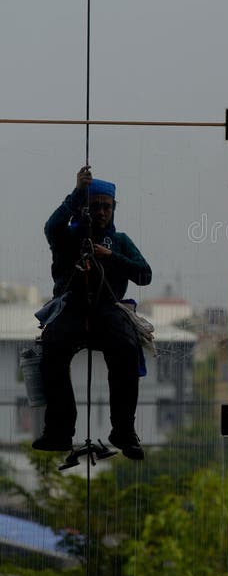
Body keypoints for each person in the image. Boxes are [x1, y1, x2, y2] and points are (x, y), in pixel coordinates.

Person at [32, 166, 152, 459]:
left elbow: (144, 274)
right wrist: (75, 194)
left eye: (106, 206)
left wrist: (111, 256)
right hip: (71, 305)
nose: (101, 212)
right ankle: (59, 430)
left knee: (126, 347)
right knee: (53, 348)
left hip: (107, 309)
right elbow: (51, 227)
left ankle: (123, 429)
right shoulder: (67, 236)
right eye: (95, 205)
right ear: (84, 207)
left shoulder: (119, 241)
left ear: (113, 208)